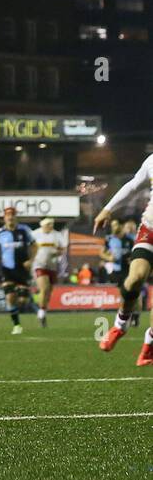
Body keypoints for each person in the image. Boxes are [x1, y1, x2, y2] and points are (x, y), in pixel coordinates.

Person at [95, 155, 153, 364]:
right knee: (135, 278)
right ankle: (120, 325)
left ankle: (148, 344)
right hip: (150, 229)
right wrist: (107, 209)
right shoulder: (152, 161)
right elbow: (132, 186)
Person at [0, 206, 36, 335]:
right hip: (7, 269)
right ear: (4, 217)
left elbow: (35, 245)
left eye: (12, 215)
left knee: (22, 301)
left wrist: (31, 260)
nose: (10, 217)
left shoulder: (24, 230)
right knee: (10, 296)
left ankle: (26, 302)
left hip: (22, 269)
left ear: (16, 217)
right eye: (8, 215)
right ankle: (17, 325)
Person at [29, 218, 67, 329]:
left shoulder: (57, 235)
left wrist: (56, 253)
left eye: (52, 224)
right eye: (48, 224)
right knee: (44, 288)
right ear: (43, 225)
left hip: (52, 266)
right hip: (39, 264)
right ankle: (40, 312)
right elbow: (29, 247)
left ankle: (42, 312)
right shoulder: (35, 234)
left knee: (48, 292)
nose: (51, 226)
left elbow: (63, 248)